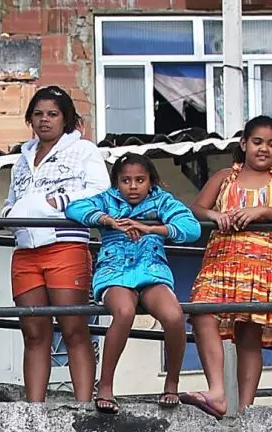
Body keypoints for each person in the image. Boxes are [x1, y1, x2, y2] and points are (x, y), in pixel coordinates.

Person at [184, 115, 272, 419]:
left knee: (249, 336)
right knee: (201, 310)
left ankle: (246, 412)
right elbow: (196, 208)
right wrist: (214, 214)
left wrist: (261, 210)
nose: (263, 149)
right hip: (221, 261)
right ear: (243, 144)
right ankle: (217, 393)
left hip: (263, 265)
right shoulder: (226, 176)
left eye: (271, 143)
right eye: (257, 142)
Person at [65, 152, 201, 414]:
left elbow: (191, 228)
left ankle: (171, 383)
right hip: (114, 271)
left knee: (174, 316)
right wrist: (106, 220)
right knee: (124, 311)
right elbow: (73, 208)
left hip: (151, 270)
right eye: (126, 180)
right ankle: (105, 387)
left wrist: (151, 229)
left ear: (151, 181)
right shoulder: (107, 199)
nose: (133, 186)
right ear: (117, 182)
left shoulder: (161, 201)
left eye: (140, 180)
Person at [3, 85, 109, 403]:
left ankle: (83, 407)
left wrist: (59, 200)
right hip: (25, 250)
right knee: (33, 332)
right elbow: (12, 199)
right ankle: (34, 408)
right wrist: (11, 214)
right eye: (38, 114)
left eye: (52, 114)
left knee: (74, 327)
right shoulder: (22, 158)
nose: (44, 120)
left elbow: (100, 191)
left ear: (66, 119)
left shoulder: (84, 150)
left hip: (66, 246)